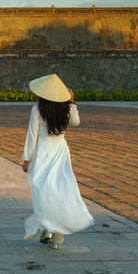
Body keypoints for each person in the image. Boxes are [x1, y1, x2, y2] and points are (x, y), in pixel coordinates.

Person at [22, 73, 94, 249]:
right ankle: (53, 231)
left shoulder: (37, 109)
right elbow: (76, 122)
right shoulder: (65, 108)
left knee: (43, 191)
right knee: (59, 189)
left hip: (43, 152)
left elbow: (32, 135)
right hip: (60, 151)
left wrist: (26, 159)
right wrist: (71, 102)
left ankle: (50, 228)